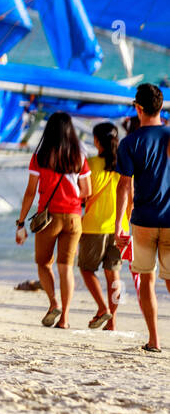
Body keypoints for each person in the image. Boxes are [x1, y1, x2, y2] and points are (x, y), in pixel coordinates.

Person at [14, 111, 91, 329]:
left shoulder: (41, 155)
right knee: (66, 267)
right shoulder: (79, 156)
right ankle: (65, 319)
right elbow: (87, 190)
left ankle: (53, 302)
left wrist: (21, 223)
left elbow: (30, 192)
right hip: (74, 218)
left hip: (49, 219)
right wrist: (72, 199)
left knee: (43, 263)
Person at [114, 83, 170, 352]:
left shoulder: (130, 142)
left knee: (146, 280)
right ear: (161, 107)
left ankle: (154, 340)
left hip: (144, 221)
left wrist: (118, 225)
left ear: (138, 108)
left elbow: (124, 186)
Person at [78, 122, 125, 332]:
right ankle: (113, 322)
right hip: (119, 228)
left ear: (96, 141)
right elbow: (131, 197)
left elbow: (83, 194)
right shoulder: (125, 164)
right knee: (114, 276)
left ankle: (102, 307)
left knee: (86, 269)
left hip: (93, 226)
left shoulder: (90, 164)